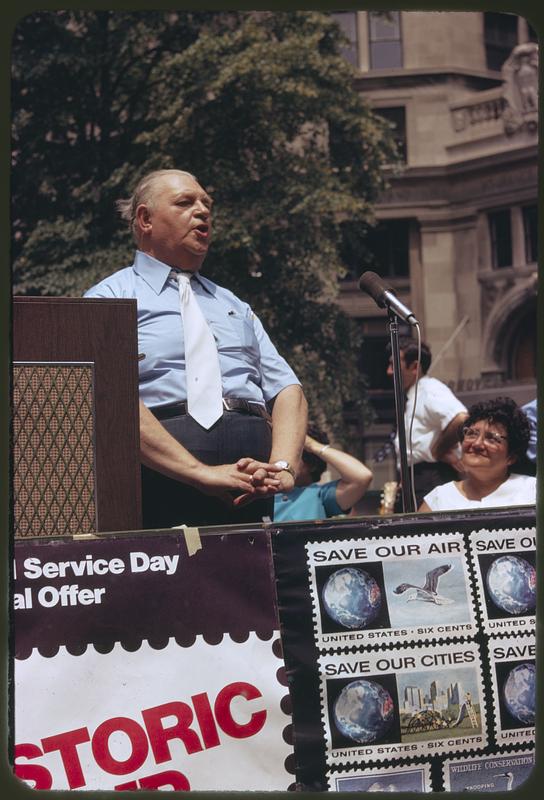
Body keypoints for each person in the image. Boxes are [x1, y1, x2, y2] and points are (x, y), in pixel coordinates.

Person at [85, 168, 307, 527]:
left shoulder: (234, 303)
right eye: (185, 203)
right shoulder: (109, 298)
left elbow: (287, 389)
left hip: (253, 482)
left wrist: (283, 468)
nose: (203, 211)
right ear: (145, 219)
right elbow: (108, 394)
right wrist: (199, 472)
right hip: (160, 477)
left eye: (207, 204)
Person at [386, 337, 468, 508]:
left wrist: (437, 450)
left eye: (395, 365)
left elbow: (461, 419)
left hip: (432, 478)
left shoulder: (430, 389)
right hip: (417, 479)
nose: (389, 371)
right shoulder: (413, 396)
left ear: (415, 366)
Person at [419, 397, 536, 511]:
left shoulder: (533, 491)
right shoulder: (439, 499)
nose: (477, 444)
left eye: (492, 438)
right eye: (471, 434)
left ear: (511, 457)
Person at [273, 426, 373, 522]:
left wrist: (310, 444)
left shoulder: (319, 495)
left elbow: (362, 477)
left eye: (292, 454)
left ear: (312, 465)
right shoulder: (263, 487)